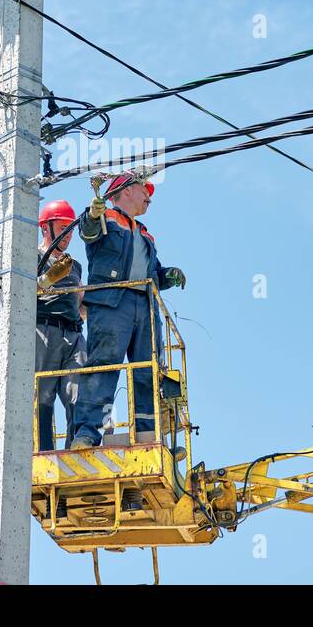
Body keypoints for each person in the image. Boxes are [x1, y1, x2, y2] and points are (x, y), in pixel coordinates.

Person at [69, 172, 186, 450]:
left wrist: (167, 275)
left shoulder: (146, 233)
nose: (149, 197)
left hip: (144, 307)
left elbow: (152, 274)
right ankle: (86, 434)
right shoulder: (106, 217)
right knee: (104, 365)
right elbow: (88, 231)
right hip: (112, 302)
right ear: (126, 191)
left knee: (148, 371)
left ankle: (149, 436)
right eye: (144, 190)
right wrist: (92, 213)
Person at [34, 199, 87, 452]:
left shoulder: (74, 265)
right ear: (46, 228)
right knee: (42, 396)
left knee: (77, 393)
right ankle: (41, 452)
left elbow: (80, 301)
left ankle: (74, 451)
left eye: (70, 229)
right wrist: (47, 278)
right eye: (62, 227)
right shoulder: (30, 255)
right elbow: (20, 294)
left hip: (73, 334)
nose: (67, 235)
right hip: (43, 331)